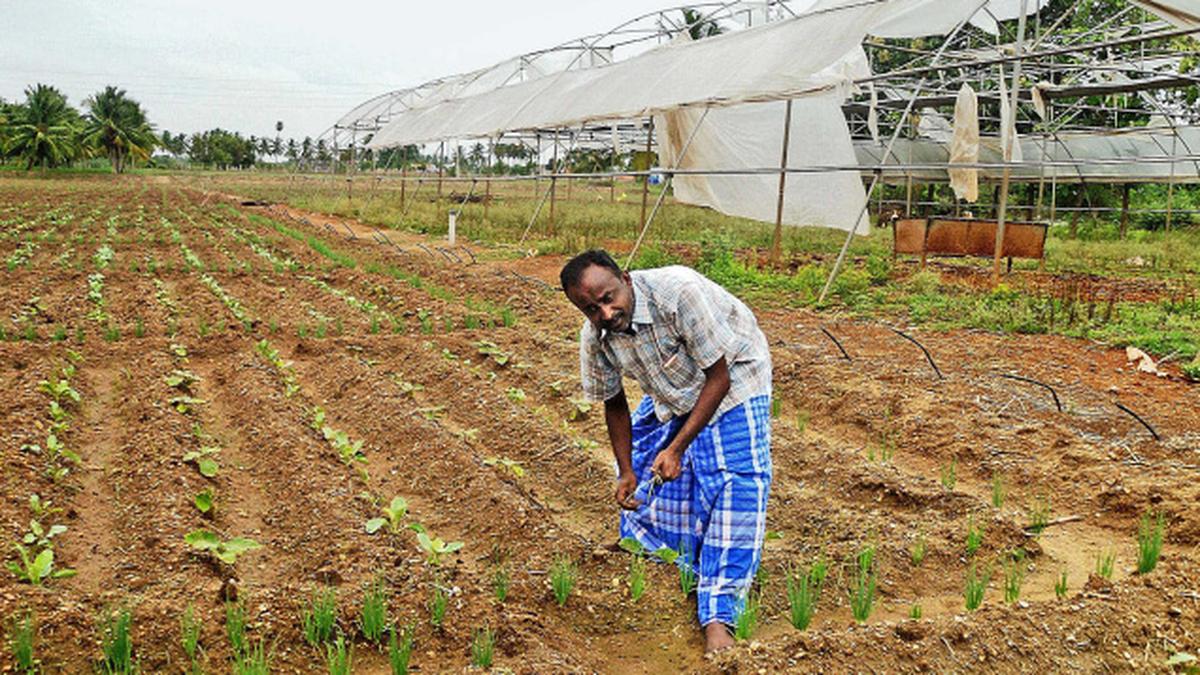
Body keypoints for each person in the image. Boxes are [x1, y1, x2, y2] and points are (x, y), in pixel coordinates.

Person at [560, 249, 773, 654]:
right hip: (673, 388)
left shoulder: (679, 294)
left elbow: (719, 376)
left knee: (732, 483)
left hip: (735, 376)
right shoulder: (596, 337)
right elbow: (614, 403)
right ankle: (671, 556)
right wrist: (624, 471)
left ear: (625, 277)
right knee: (645, 470)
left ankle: (719, 617)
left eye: (608, 298)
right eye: (591, 309)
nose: (605, 313)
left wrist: (677, 447)